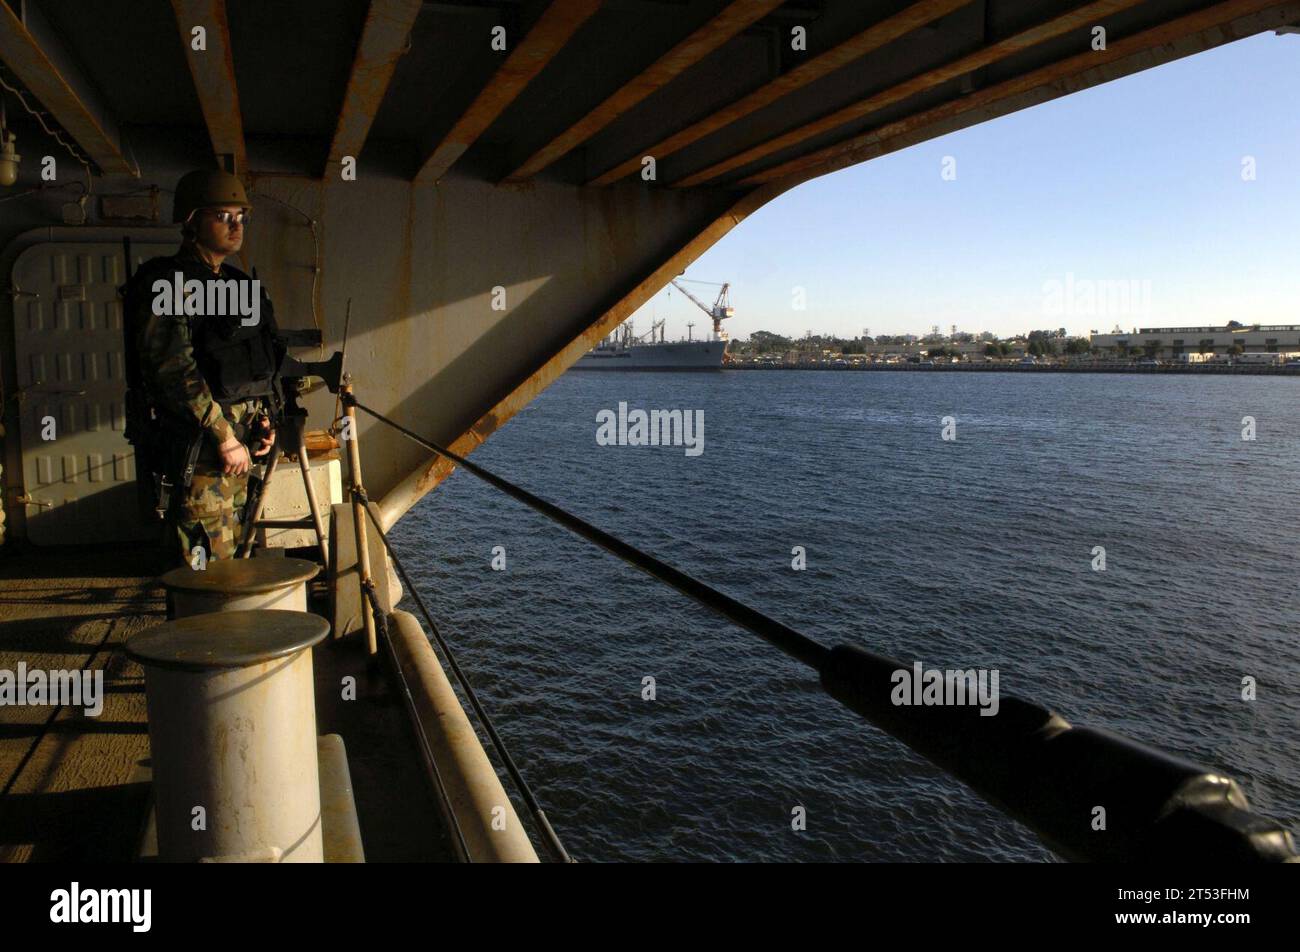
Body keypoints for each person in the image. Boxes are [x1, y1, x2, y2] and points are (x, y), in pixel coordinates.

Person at [123, 169, 282, 565]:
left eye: (241, 217)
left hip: (241, 447)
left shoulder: (236, 282)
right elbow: (174, 370)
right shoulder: (165, 283)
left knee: (235, 559)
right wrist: (223, 436)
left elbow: (254, 363)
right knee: (204, 569)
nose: (235, 226)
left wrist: (264, 421)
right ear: (192, 221)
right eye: (222, 216)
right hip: (200, 451)